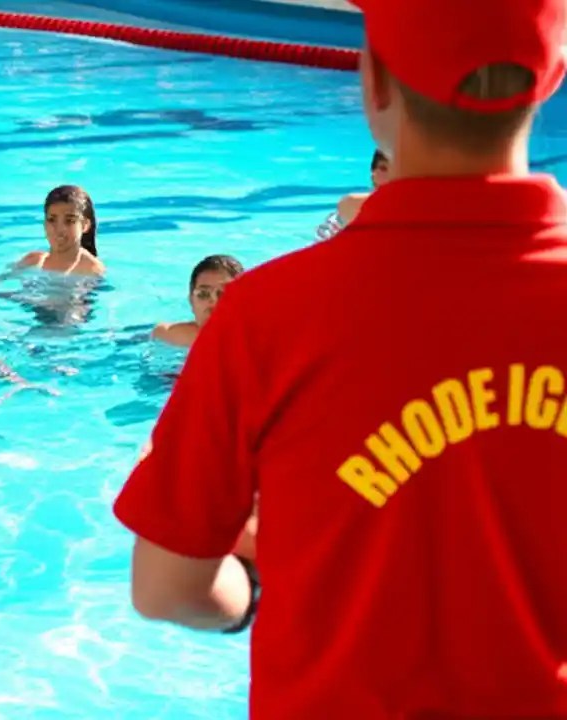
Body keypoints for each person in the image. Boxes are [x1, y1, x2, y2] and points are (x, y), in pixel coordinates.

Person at [113, 0, 567, 717]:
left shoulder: (267, 315)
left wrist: (249, 590)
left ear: (374, 82)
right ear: (555, 75)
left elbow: (167, 588)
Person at [151, 254, 243, 348]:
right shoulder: (167, 336)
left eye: (224, 294)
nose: (214, 301)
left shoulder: (254, 343)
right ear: (191, 301)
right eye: (203, 294)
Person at [18, 185, 105, 276]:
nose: (59, 229)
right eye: (52, 220)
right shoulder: (32, 261)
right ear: (44, 224)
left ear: (85, 225)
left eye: (69, 221)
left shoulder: (91, 269)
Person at [316, 150, 392, 241]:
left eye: (397, 171)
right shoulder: (353, 206)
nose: (390, 176)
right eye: (383, 168)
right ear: (373, 175)